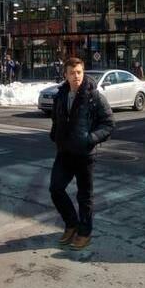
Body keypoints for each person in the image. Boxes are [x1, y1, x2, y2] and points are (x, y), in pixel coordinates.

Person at [48, 57, 115, 250]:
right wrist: (55, 135)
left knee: (84, 196)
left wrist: (90, 138)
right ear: (66, 75)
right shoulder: (61, 95)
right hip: (64, 152)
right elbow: (56, 118)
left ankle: (84, 232)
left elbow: (109, 123)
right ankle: (71, 224)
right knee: (55, 189)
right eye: (72, 73)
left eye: (79, 72)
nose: (76, 76)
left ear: (83, 72)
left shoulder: (94, 96)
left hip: (85, 154)